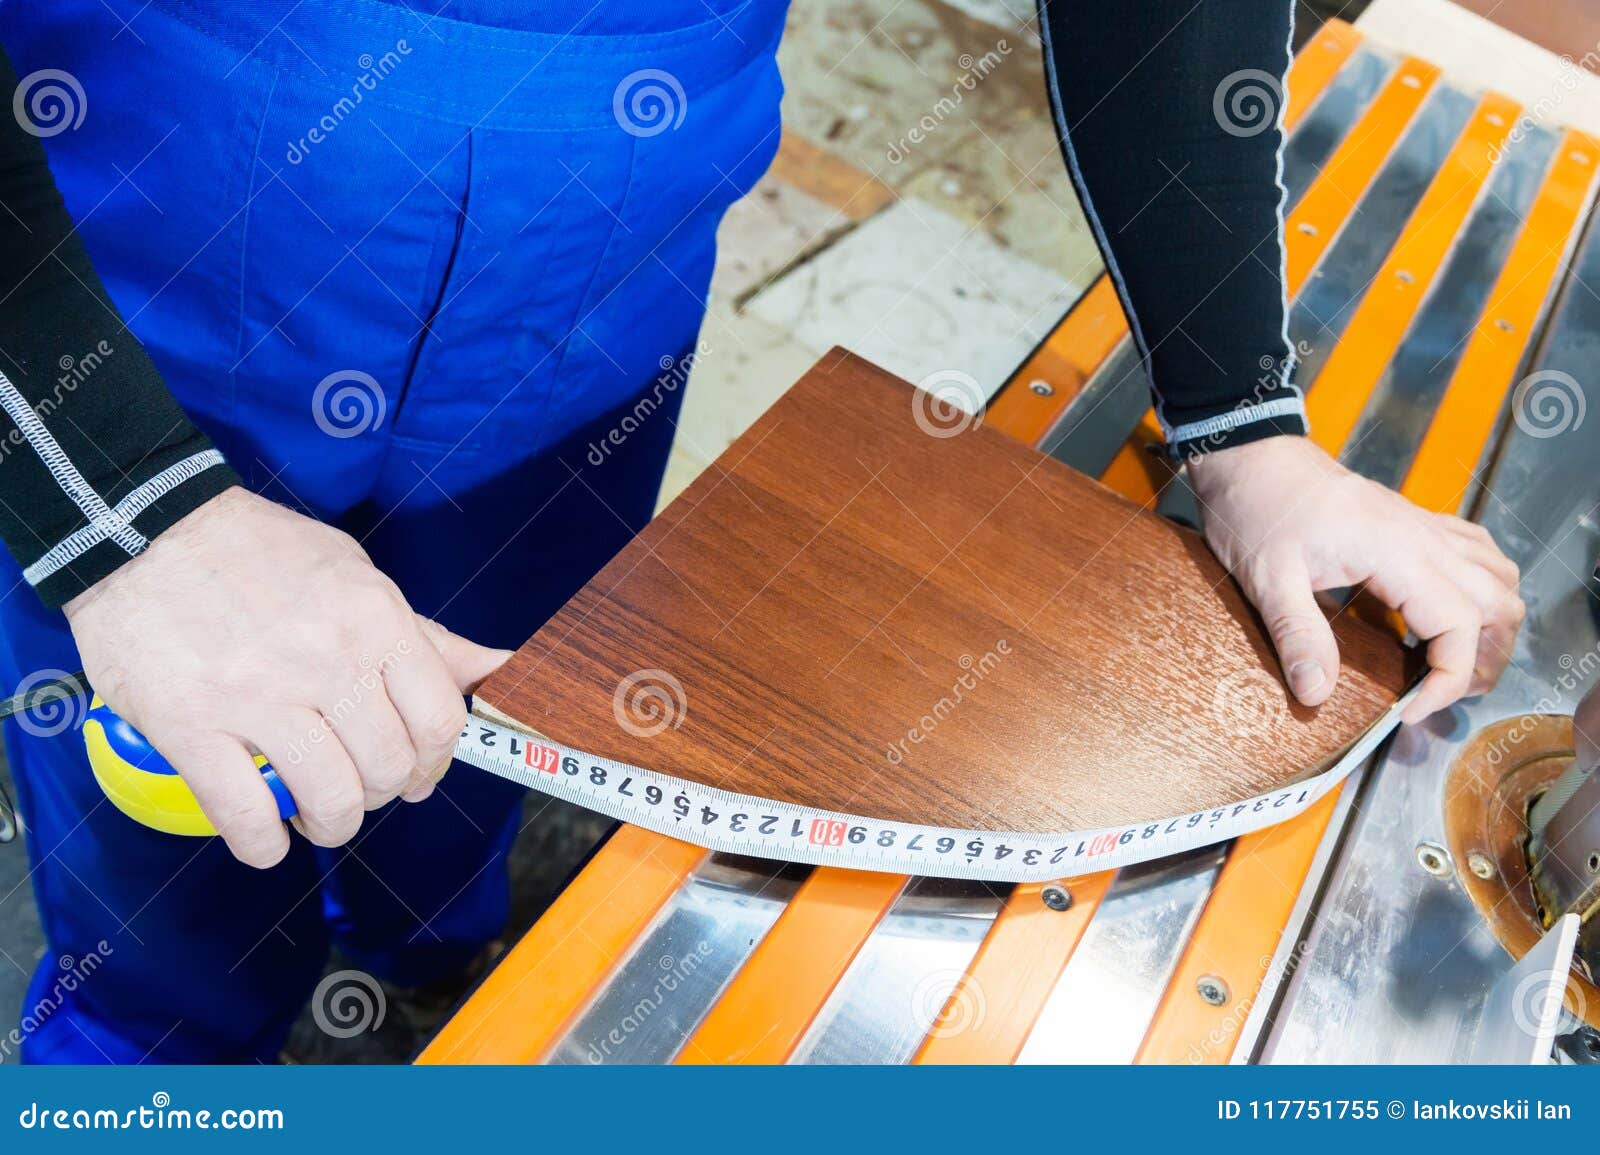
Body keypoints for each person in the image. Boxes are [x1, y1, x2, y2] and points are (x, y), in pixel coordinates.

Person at [0, 0, 1521, 1063]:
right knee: (162, 853)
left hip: (599, 277)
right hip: (127, 274)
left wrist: (1241, 415)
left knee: (499, 717)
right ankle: (163, 1050)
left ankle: (431, 966)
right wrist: (124, 515)